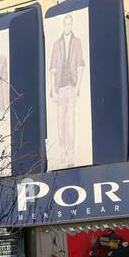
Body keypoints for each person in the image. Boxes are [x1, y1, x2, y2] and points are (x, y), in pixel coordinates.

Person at [48, 12, 85, 167]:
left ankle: (71, 154)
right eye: (66, 24)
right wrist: (53, 90)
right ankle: (62, 150)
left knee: (71, 122)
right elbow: (52, 69)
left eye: (70, 24)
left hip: (71, 87)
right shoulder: (57, 44)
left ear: (71, 25)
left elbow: (80, 65)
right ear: (63, 26)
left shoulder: (77, 42)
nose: (68, 27)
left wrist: (78, 87)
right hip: (60, 88)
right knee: (60, 122)